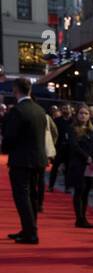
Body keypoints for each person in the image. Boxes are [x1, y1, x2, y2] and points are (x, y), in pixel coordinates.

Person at [2, 77, 49, 244]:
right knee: (32, 196)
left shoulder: (17, 111)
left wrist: (4, 148)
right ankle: (29, 229)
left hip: (21, 160)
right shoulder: (40, 109)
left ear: (15, 90)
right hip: (38, 159)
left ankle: (30, 233)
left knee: (22, 196)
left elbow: (10, 137)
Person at [65, 104, 93, 229]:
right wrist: (86, 157)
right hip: (78, 164)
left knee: (86, 191)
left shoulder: (92, 130)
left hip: (90, 165)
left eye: (86, 113)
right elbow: (73, 146)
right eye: (81, 113)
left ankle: (83, 218)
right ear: (76, 115)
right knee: (79, 191)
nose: (83, 115)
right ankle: (79, 219)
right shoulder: (72, 128)